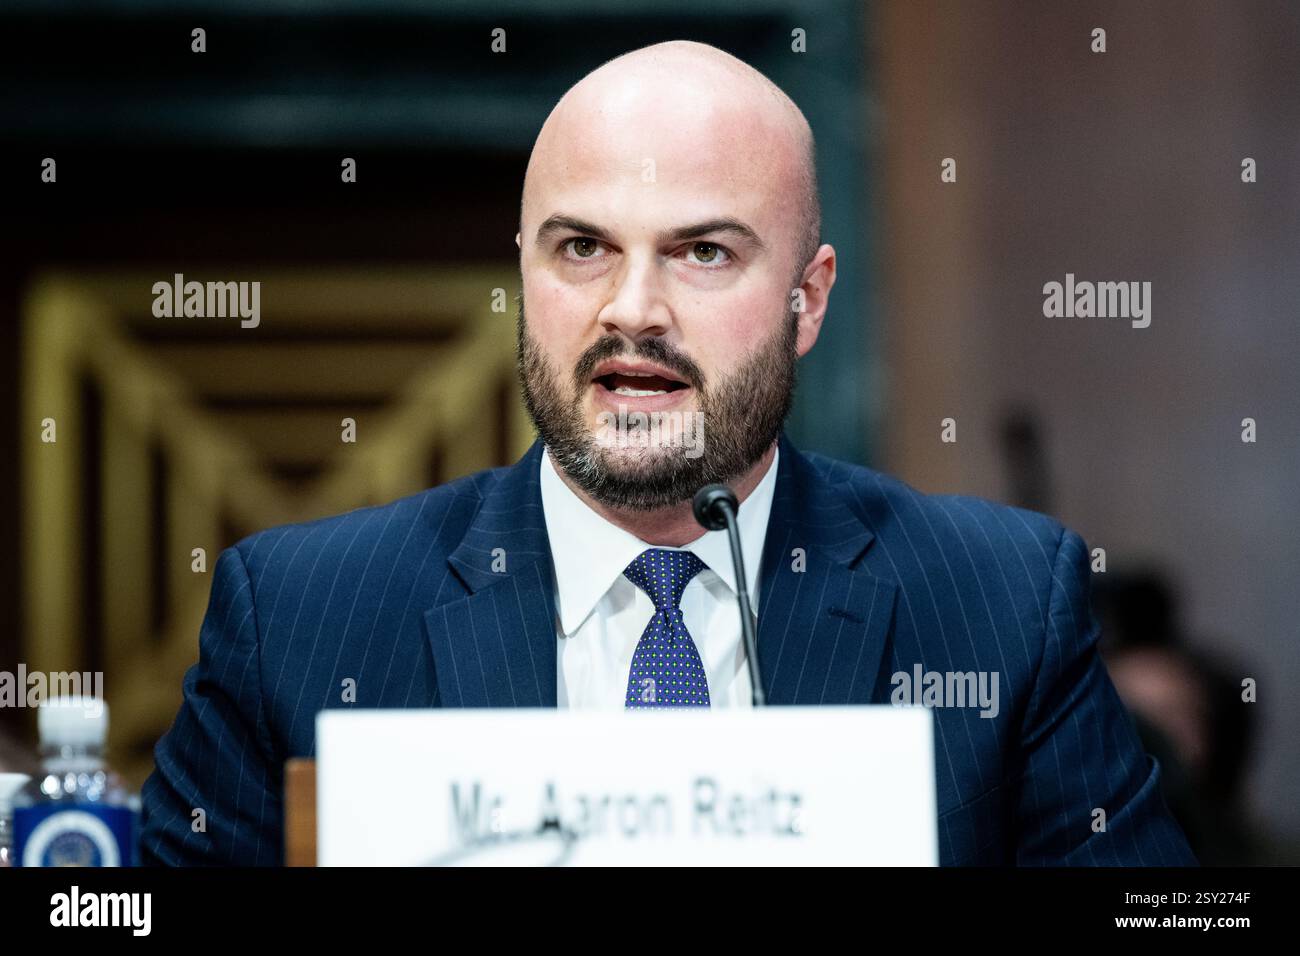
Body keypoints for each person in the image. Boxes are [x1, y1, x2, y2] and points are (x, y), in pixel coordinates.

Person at [141, 40, 1194, 866]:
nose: (630, 311)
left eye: (702, 252)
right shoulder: (295, 616)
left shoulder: (1000, 604)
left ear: (809, 297)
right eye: (582, 247)